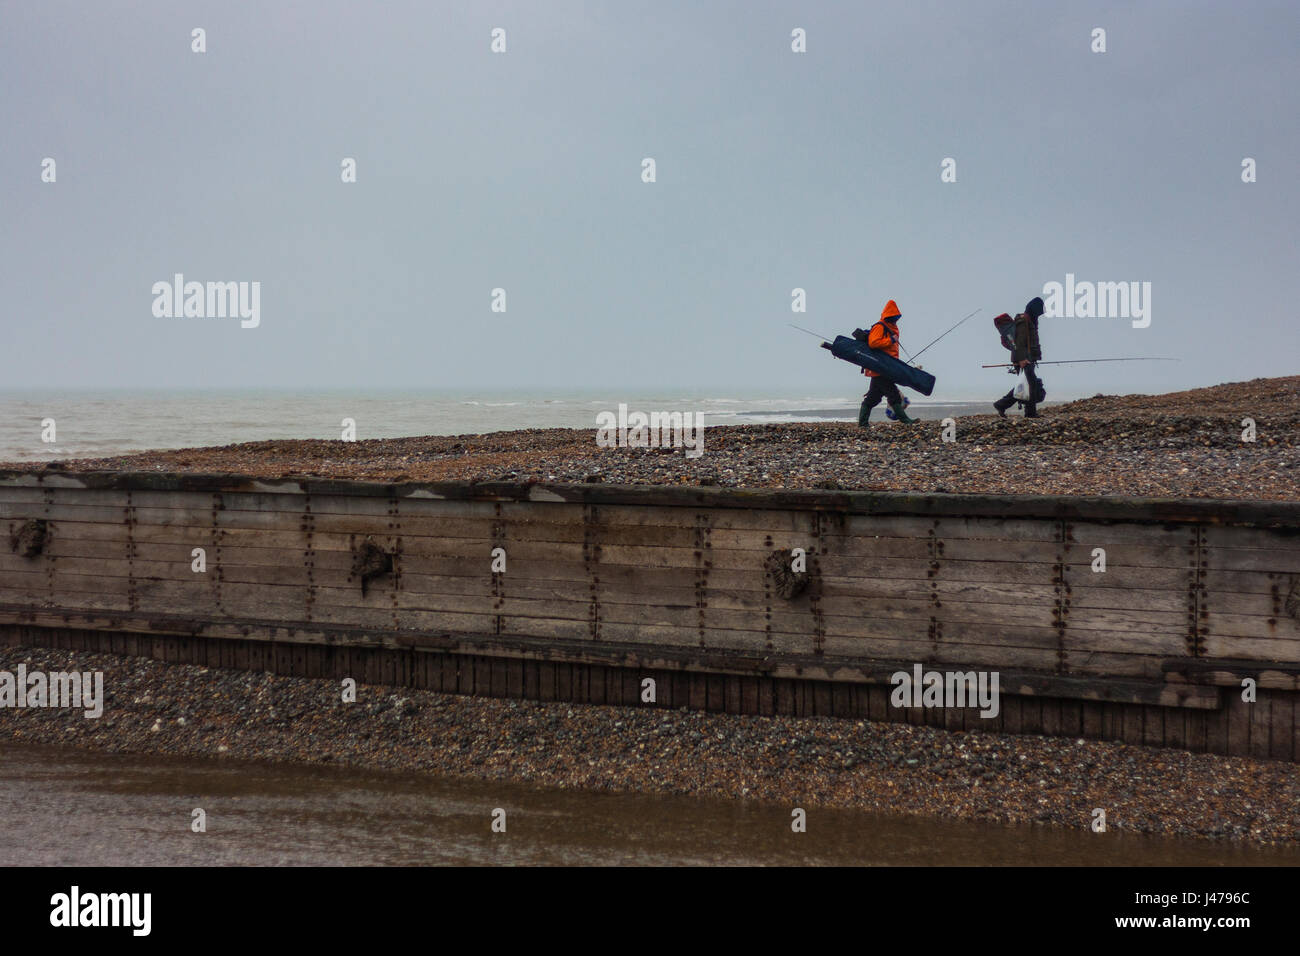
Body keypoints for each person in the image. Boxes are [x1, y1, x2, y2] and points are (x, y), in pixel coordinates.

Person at [857, 299, 917, 426]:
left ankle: (862, 424)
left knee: (873, 398)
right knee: (893, 395)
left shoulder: (892, 327)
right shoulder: (879, 327)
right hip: (881, 367)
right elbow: (873, 343)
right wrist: (890, 340)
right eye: (893, 317)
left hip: (887, 366)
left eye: (896, 317)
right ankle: (906, 421)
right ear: (887, 316)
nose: (895, 319)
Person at [993, 296, 1046, 418]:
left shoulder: (1030, 320)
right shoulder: (1023, 321)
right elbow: (1020, 341)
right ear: (1034, 309)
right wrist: (1022, 359)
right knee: (1030, 385)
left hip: (1027, 358)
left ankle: (1001, 405)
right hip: (1023, 359)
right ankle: (1030, 413)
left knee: (1025, 385)